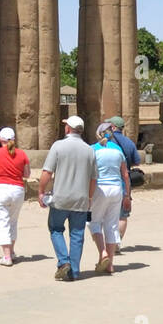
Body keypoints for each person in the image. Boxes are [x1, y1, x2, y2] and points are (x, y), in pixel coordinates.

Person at [38, 115, 96, 281]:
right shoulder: (89, 150)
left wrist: (41, 191)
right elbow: (93, 179)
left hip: (61, 198)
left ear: (68, 128)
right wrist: (90, 198)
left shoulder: (58, 146)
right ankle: (74, 271)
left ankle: (64, 262)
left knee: (56, 229)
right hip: (81, 199)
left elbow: (47, 172)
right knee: (77, 235)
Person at [89, 124, 131, 275]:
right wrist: (127, 194)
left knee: (93, 222)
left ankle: (103, 253)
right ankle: (110, 264)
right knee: (112, 225)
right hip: (116, 190)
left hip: (100, 189)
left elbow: (89, 174)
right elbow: (125, 175)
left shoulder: (93, 149)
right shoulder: (118, 150)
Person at [0, 126, 30, 265]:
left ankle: (7, 257)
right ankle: (11, 251)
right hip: (18, 190)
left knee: (3, 222)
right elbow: (27, 174)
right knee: (13, 222)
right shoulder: (22, 154)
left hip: (1, 189)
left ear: (1, 139)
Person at [104, 116, 142, 249]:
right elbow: (137, 161)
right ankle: (117, 243)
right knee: (122, 215)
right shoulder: (129, 143)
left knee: (106, 215)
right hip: (124, 182)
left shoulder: (105, 142)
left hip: (107, 180)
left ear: (113, 127)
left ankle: (108, 243)